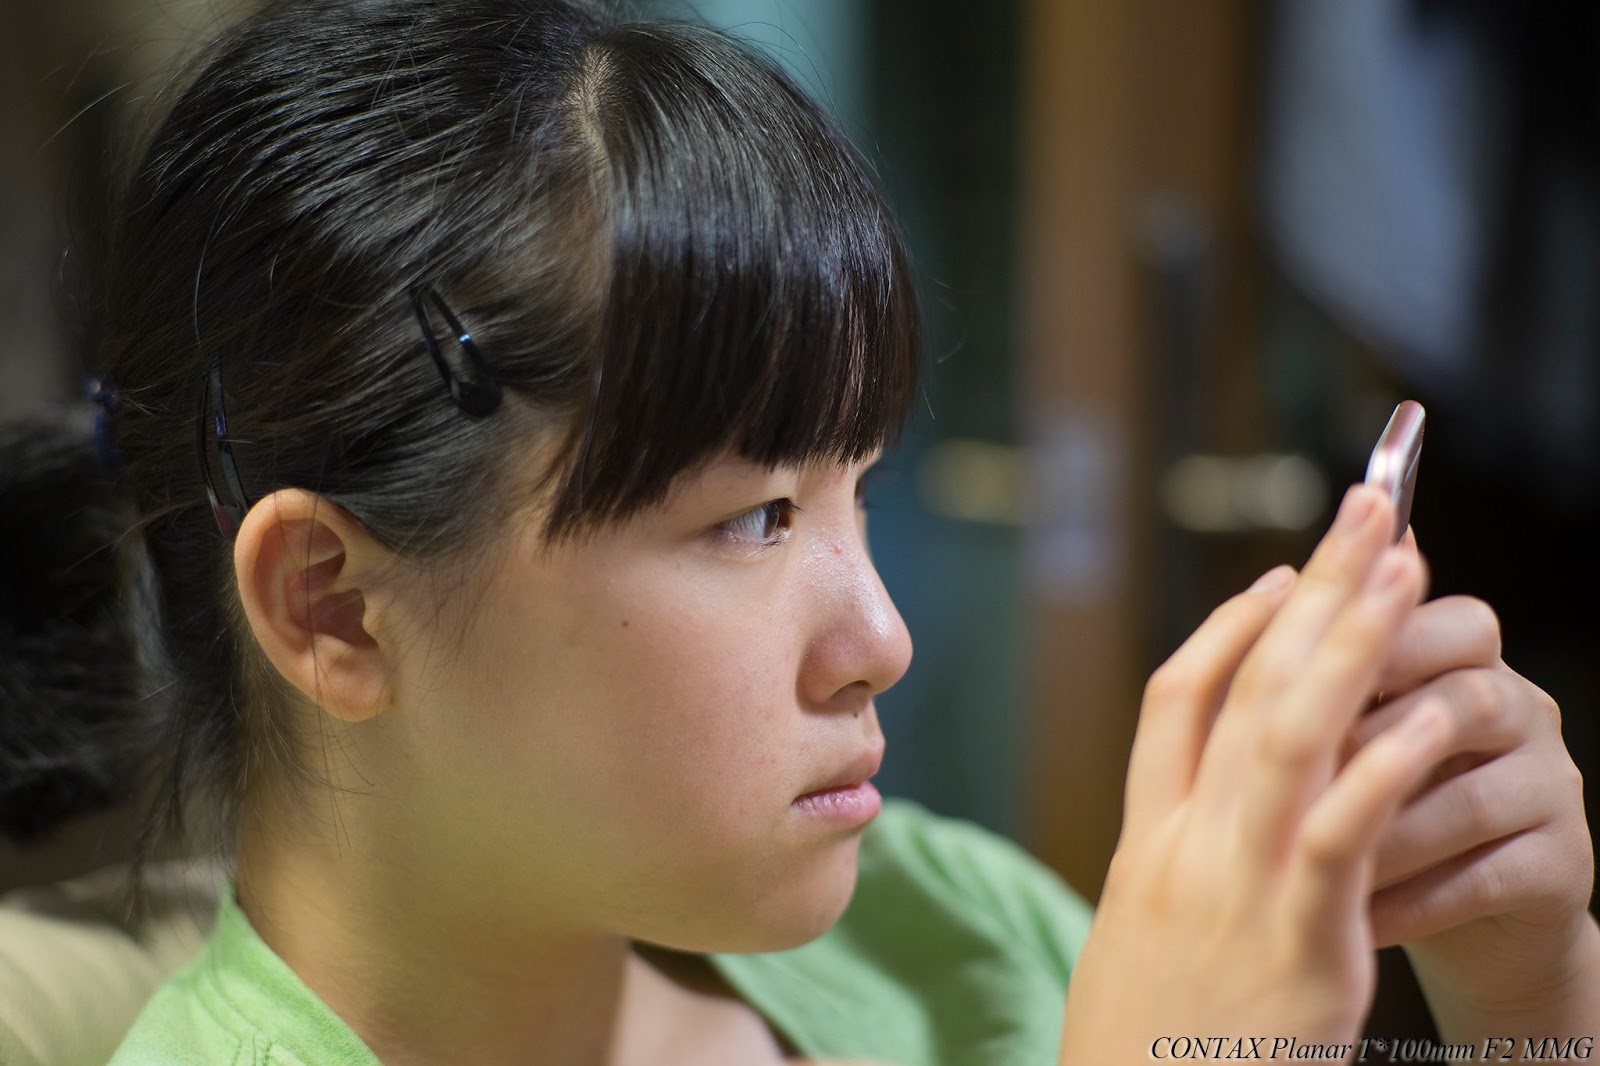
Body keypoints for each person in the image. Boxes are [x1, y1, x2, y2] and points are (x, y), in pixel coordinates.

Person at [0, 0, 1594, 1062]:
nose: (883, 637)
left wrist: (1525, 1001)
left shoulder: (943, 922)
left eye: (858, 487)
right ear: (332, 606)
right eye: (755, 517)